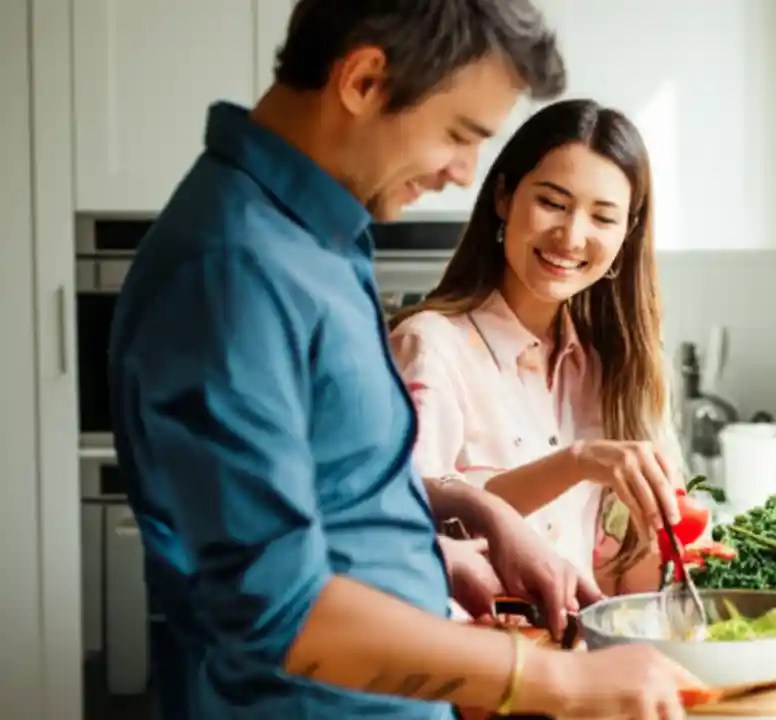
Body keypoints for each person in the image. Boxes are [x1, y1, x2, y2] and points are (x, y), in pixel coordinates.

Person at [107, 1, 702, 718]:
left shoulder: (320, 239)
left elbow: (336, 505)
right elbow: (272, 609)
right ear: (363, 81)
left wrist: (447, 545)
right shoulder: (234, 268)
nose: (464, 172)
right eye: (459, 134)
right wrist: (561, 681)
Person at [388, 98, 683, 599]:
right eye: (552, 203)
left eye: (603, 217)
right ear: (504, 197)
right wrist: (576, 461)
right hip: (466, 644)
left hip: (575, 645)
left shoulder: (602, 368)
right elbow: (412, 524)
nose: (572, 236)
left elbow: (608, 566)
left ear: (626, 234)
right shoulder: (430, 346)